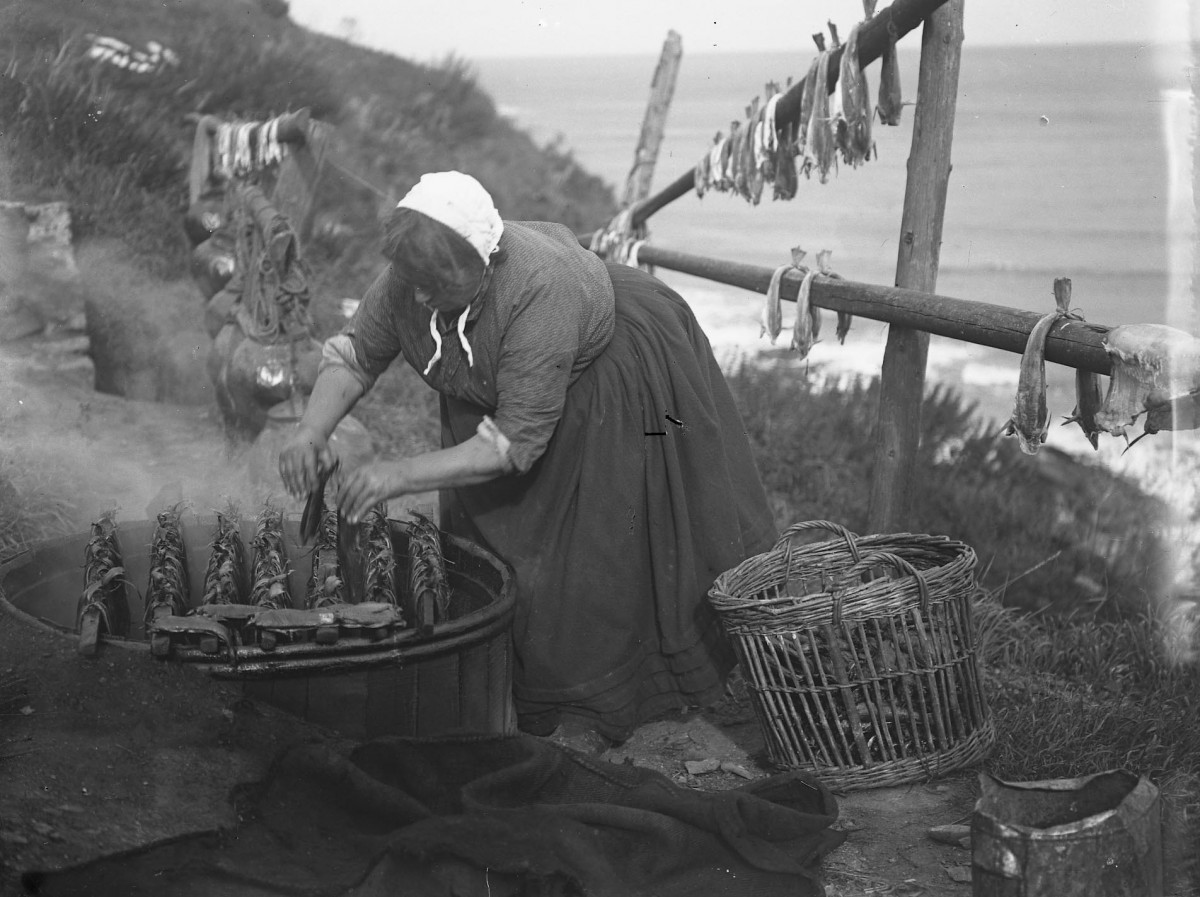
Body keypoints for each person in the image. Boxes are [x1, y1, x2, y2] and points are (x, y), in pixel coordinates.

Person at [279, 171, 776, 751]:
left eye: (434, 285)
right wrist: (310, 431)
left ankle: (596, 694)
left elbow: (514, 442)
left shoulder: (541, 293)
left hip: (604, 385)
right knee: (501, 546)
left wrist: (397, 474)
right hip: (502, 391)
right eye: (412, 283)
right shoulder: (412, 280)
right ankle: (508, 667)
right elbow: (356, 354)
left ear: (482, 265)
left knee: (596, 550)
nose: (417, 299)